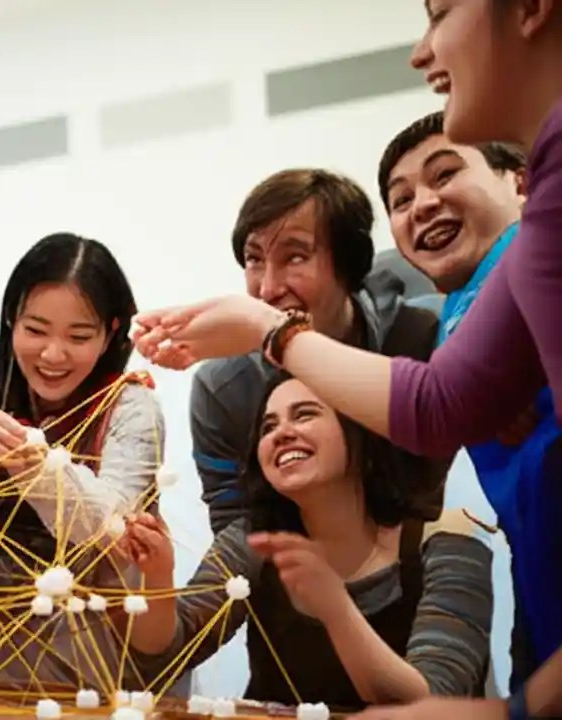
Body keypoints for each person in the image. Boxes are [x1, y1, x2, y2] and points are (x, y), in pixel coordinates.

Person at [132, 1, 562, 716]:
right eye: (270, 423)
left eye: (441, 13)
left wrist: (268, 331)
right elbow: (184, 624)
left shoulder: (442, 532)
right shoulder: (231, 419)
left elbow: (431, 404)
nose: (422, 52)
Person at [124, 377, 493, 710]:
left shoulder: (447, 541)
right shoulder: (252, 540)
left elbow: (431, 703)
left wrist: (335, 607)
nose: (281, 433)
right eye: (268, 427)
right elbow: (164, 657)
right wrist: (157, 576)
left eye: (304, 415)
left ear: (360, 432)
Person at [379, 110, 559, 689]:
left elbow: (434, 406)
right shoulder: (452, 311)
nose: (422, 205)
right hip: (536, 567)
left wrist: (274, 333)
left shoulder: (535, 254)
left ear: (520, 181)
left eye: (445, 174)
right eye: (401, 200)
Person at [0, 233, 164, 689]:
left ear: (110, 333)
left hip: (110, 674)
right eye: (35, 330)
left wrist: (31, 462)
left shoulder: (132, 407)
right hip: (1, 668)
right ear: (10, 320)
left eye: (79, 336)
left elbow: (112, 531)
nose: (52, 354)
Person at [190, 169, 448, 536]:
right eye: (254, 259)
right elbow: (235, 523)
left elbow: (425, 501)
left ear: (350, 264)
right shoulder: (225, 389)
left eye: (295, 257)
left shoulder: (417, 341)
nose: (268, 289)